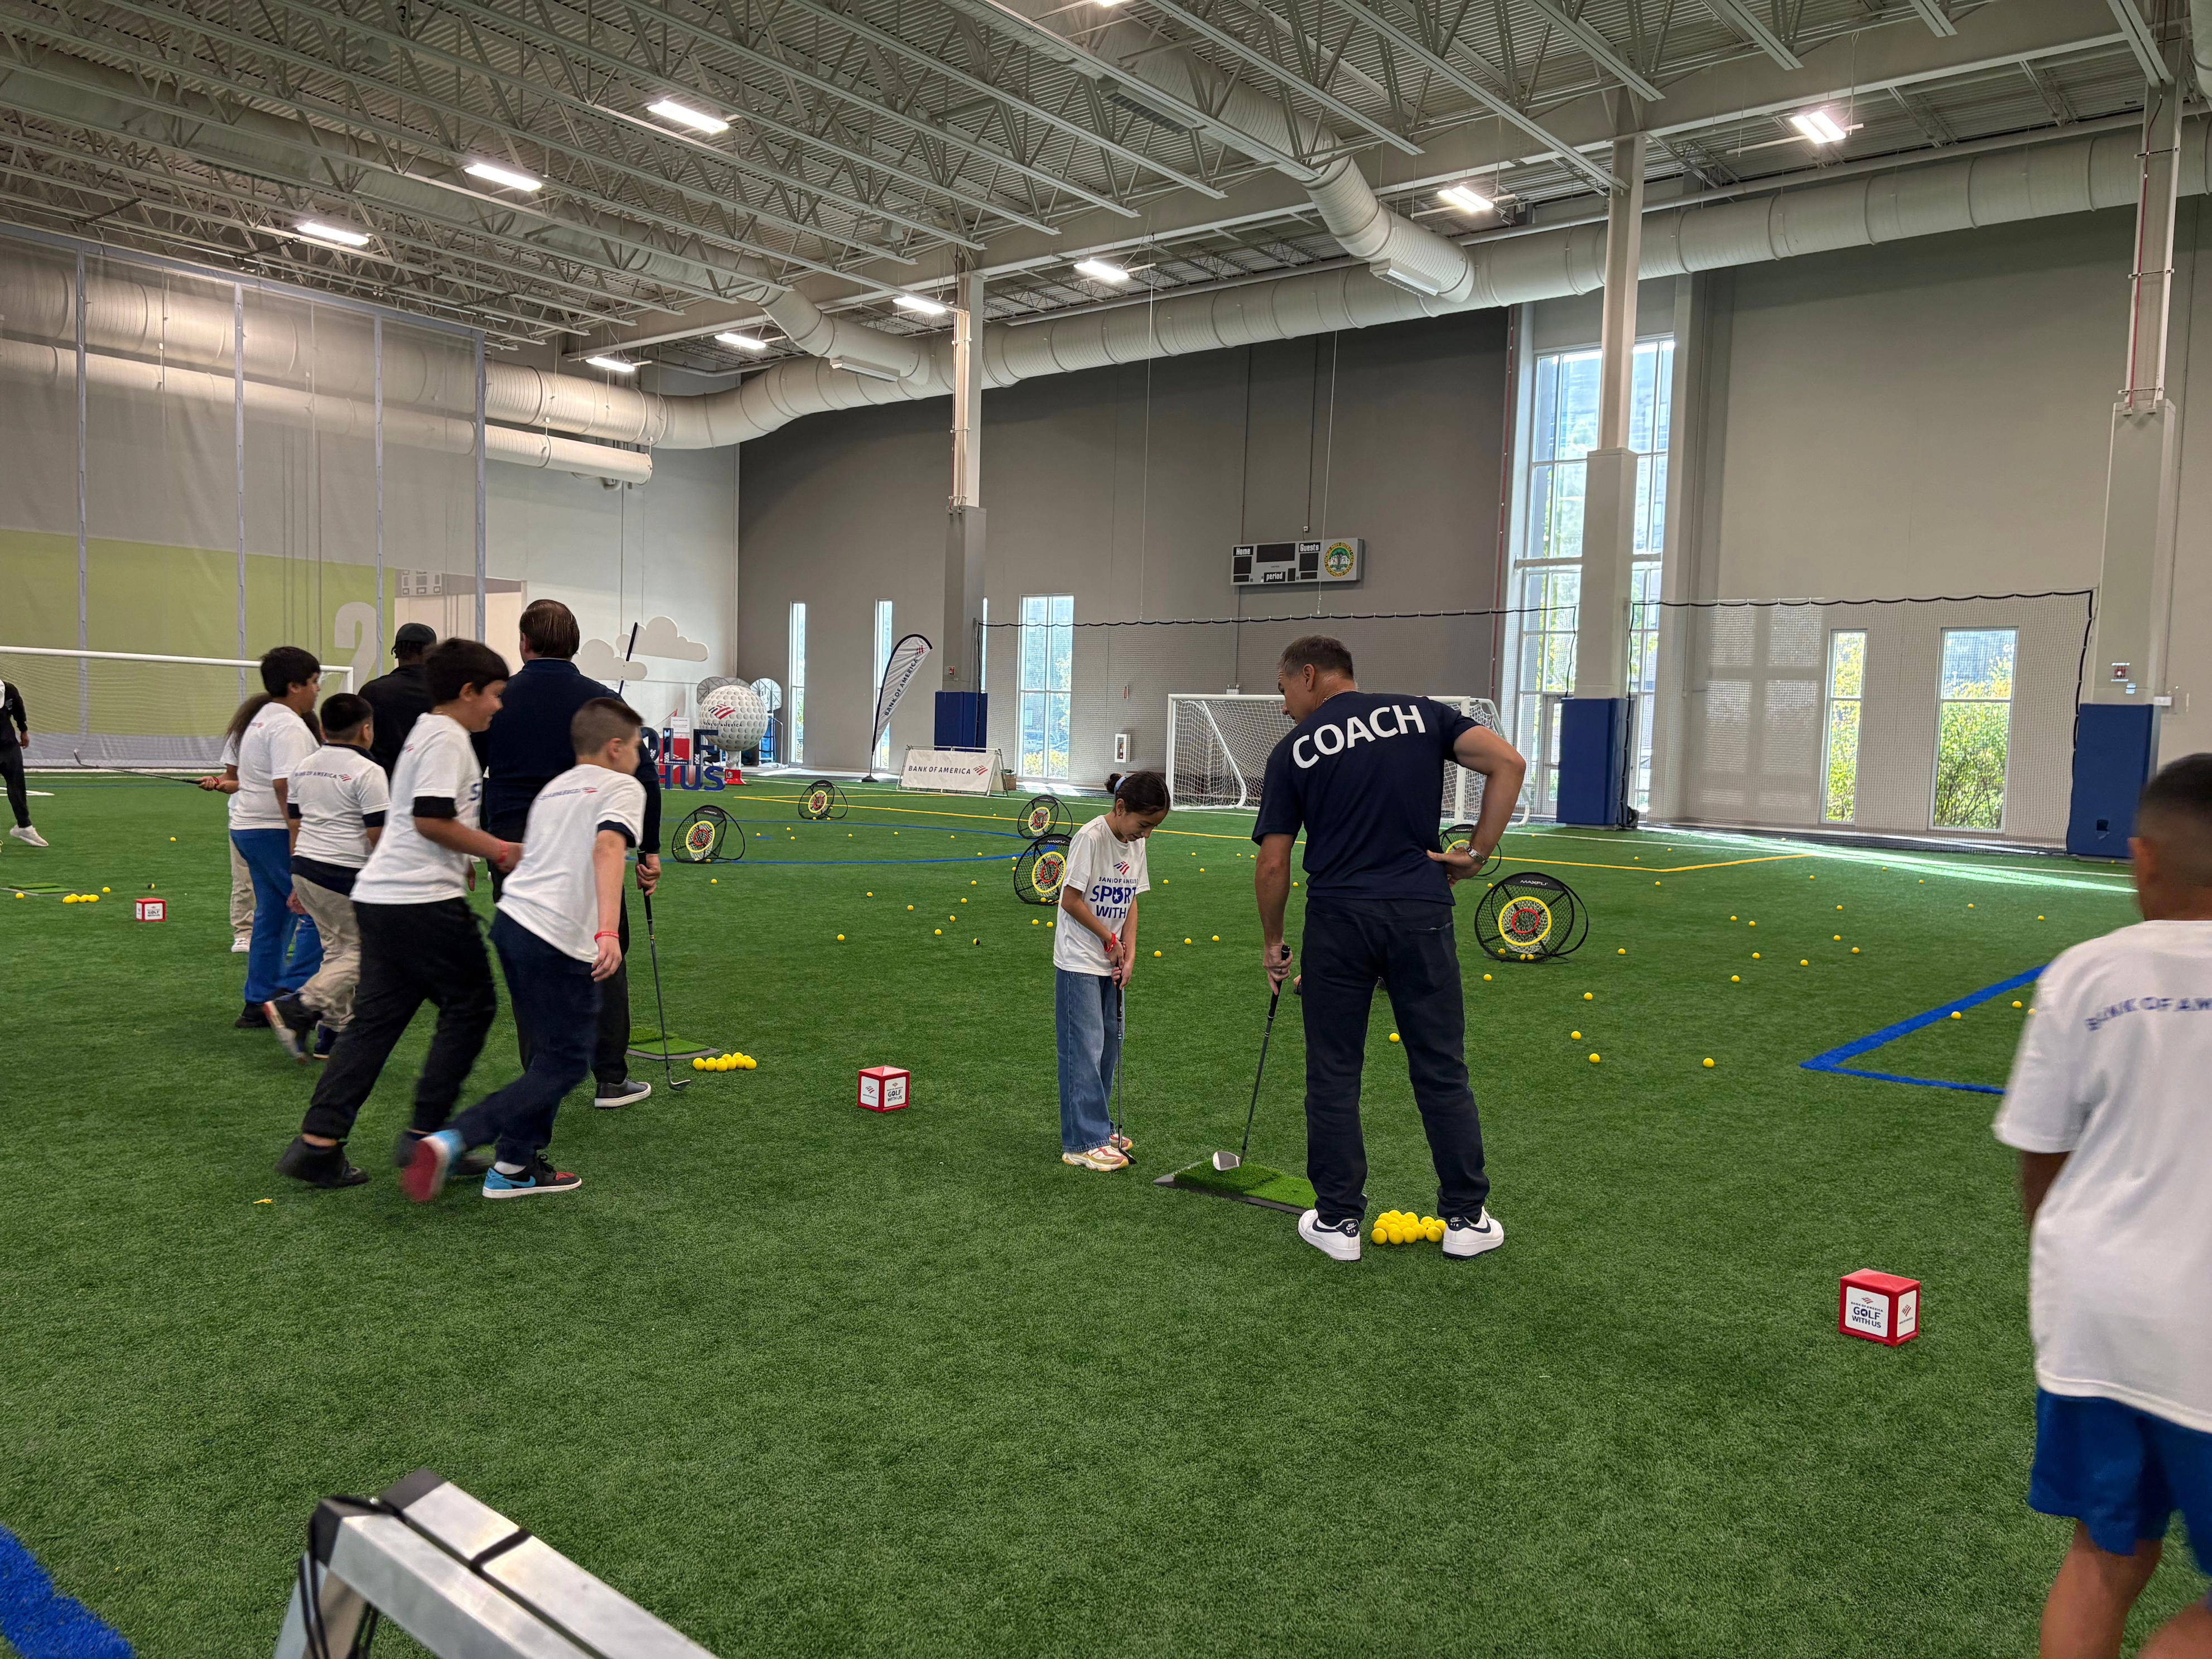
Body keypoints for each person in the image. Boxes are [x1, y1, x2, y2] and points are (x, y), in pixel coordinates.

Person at [1993, 753, 2212, 1659]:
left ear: (2142, 859)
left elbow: (2041, 1159)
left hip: (2095, 1312)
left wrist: (2068, 1265)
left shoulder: (2084, 972)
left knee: (2101, 1554)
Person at [1250, 634, 1526, 1264]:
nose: (1283, 704)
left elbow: (1273, 865)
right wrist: (1476, 855)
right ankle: (1465, 1218)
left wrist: (1272, 943)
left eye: (1283, 688)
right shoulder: (1423, 713)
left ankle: (1338, 1223)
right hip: (1418, 911)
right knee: (1439, 1067)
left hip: (1337, 918)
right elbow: (1508, 762)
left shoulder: (1293, 750)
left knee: (1333, 1072)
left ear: (1311, 676)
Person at [274, 639, 518, 1190]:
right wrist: (498, 850)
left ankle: (319, 1143)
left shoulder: (428, 734)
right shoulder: (447, 738)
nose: (498, 707)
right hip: (418, 903)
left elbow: (426, 821)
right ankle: (428, 1140)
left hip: (386, 897)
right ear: (467, 691)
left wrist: (461, 856)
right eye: (495, 696)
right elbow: (431, 818)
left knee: (376, 1022)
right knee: (472, 1005)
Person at [405, 698, 649, 1202]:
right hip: (557, 938)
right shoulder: (624, 786)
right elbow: (609, 848)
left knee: (550, 1055)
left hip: (513, 924)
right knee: (563, 1064)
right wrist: (608, 930)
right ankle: (455, 1139)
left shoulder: (553, 789)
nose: (640, 757)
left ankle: (514, 1164)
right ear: (616, 747)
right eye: (638, 746)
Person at [476, 599, 661, 1111]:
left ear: (523, 643)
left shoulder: (498, 701)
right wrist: (649, 850)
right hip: (589, 841)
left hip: (515, 849)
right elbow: (644, 775)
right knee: (605, 953)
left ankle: (539, 1078)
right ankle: (610, 1078)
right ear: (574, 645)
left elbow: (474, 780)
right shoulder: (601, 702)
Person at [263, 693, 389, 1063]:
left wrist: (295, 879)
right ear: (367, 730)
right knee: (365, 953)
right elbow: (378, 836)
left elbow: (295, 824)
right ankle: (300, 1005)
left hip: (306, 869)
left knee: (337, 952)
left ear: (321, 728)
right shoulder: (369, 772)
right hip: (343, 875)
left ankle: (333, 1038)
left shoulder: (303, 768)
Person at [1054, 771, 1169, 1173]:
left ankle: (1098, 1127)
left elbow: (1132, 900)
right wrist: (1108, 939)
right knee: (1083, 1047)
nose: (1147, 835)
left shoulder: (1134, 844)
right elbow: (1070, 900)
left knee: (1109, 1044)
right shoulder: (1091, 838)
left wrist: (1130, 953)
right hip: (1079, 959)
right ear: (1120, 809)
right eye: (1143, 825)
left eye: (1153, 828)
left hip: (1111, 959)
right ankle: (1081, 1142)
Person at [229, 648, 325, 1026]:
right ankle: (295, 999)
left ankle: (259, 1000)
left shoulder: (262, 718)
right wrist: (298, 841)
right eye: (315, 682)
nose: (318, 691)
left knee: (273, 915)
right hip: (272, 830)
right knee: (318, 909)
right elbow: (287, 786)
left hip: (250, 828)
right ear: (294, 686)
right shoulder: (287, 726)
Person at [359, 621, 438, 777]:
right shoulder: (444, 692)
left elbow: (360, 739)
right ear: (430, 654)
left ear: (397, 651)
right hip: (431, 778)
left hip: (384, 781)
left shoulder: (372, 691)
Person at [0, 675, 47, 847]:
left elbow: (19, 710)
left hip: (9, 746)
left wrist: (24, 731)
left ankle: (24, 827)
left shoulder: (10, 690)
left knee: (17, 785)